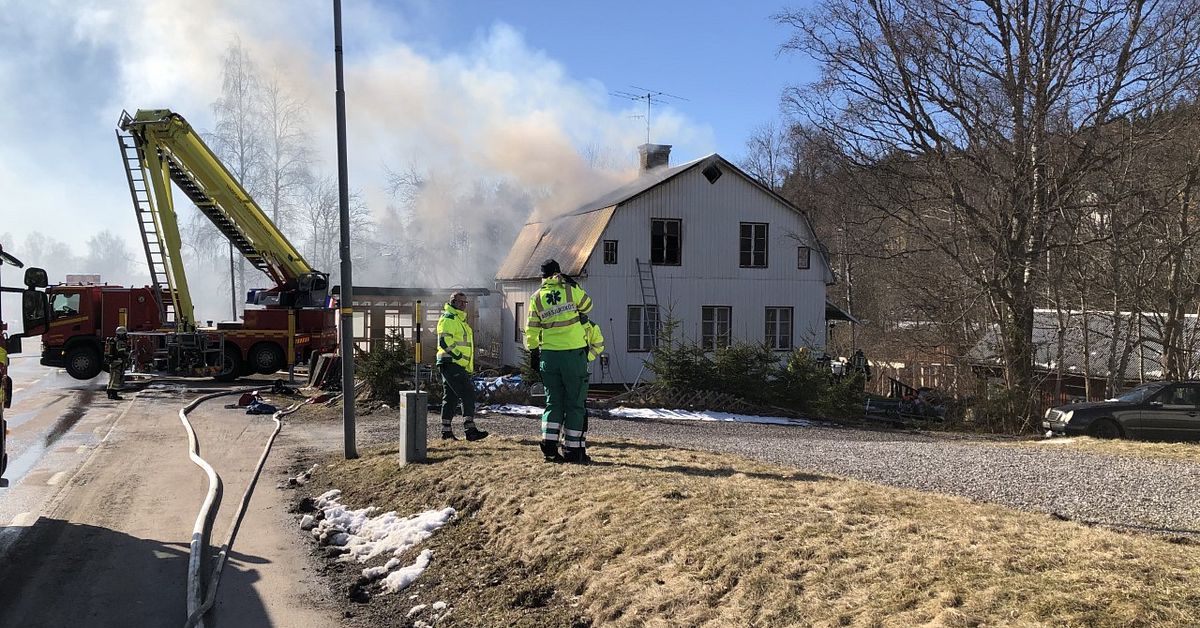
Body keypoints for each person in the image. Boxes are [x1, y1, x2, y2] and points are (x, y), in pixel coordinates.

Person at [525, 259, 593, 463]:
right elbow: (588, 306)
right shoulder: (571, 291)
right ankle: (573, 451)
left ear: (542, 276)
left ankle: (550, 448)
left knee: (553, 402)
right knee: (574, 403)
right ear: (559, 273)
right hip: (572, 354)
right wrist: (574, 285)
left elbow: (531, 329)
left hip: (549, 356)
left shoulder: (536, 297)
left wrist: (534, 352)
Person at [436, 292, 488, 441]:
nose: (464, 305)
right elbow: (444, 342)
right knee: (468, 393)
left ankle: (446, 432)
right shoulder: (449, 318)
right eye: (460, 302)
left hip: (452, 364)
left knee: (451, 397)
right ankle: (470, 429)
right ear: (452, 302)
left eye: (465, 303)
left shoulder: (459, 319)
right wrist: (458, 356)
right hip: (452, 363)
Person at [105, 326, 129, 400]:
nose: (126, 336)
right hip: (118, 362)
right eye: (125, 334)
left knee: (112, 377)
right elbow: (122, 353)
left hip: (112, 362)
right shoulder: (120, 342)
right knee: (116, 379)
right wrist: (128, 355)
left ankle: (109, 392)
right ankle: (114, 394)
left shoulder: (114, 340)